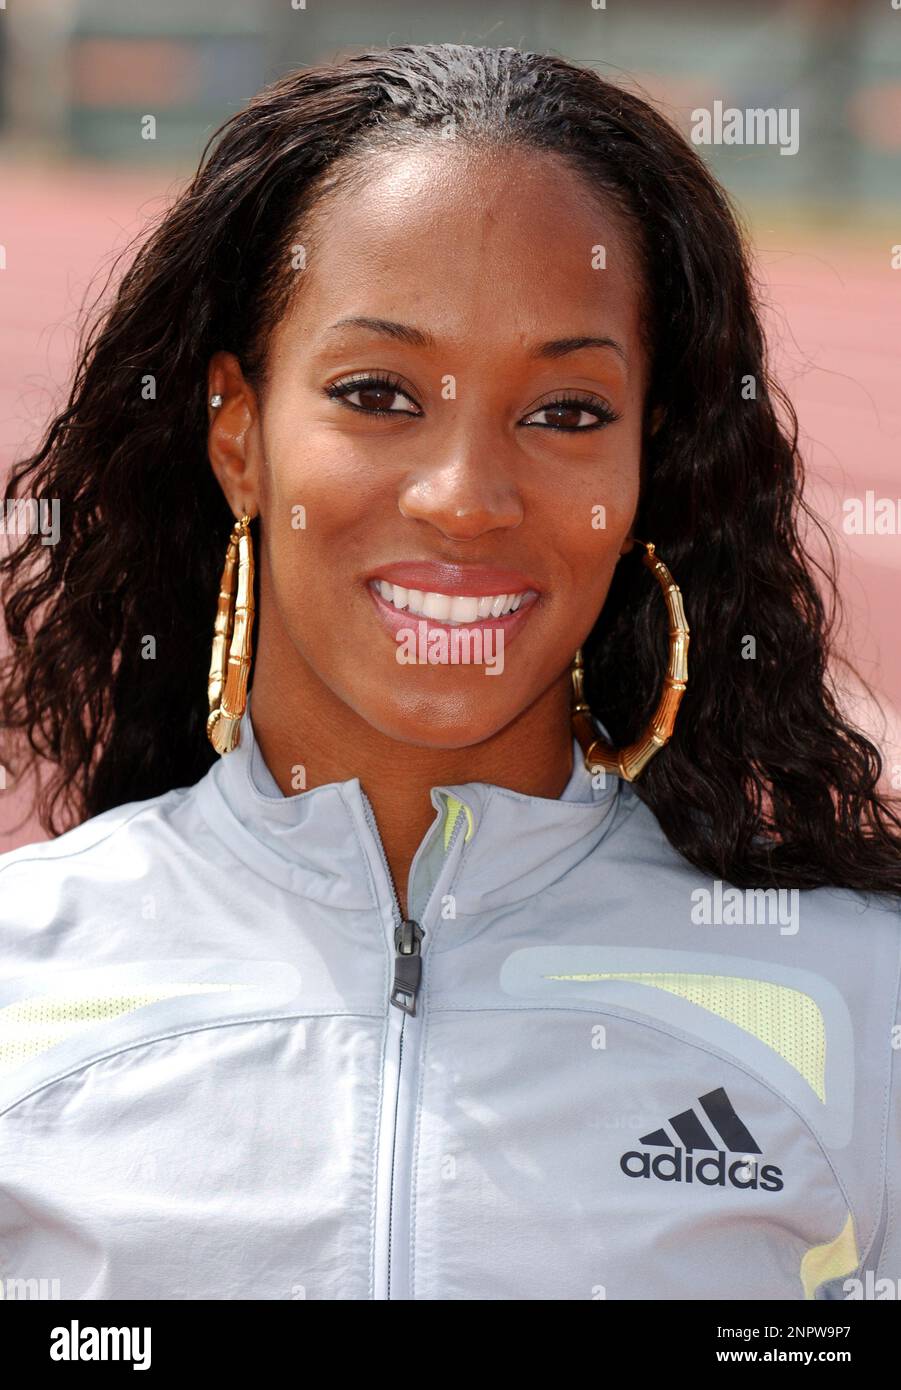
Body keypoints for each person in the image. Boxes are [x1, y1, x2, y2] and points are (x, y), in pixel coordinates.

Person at [0, 42, 899, 1302]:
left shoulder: (859, 1000)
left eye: (568, 412)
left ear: (651, 461)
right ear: (239, 435)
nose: (467, 498)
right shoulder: (22, 976)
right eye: (378, 393)